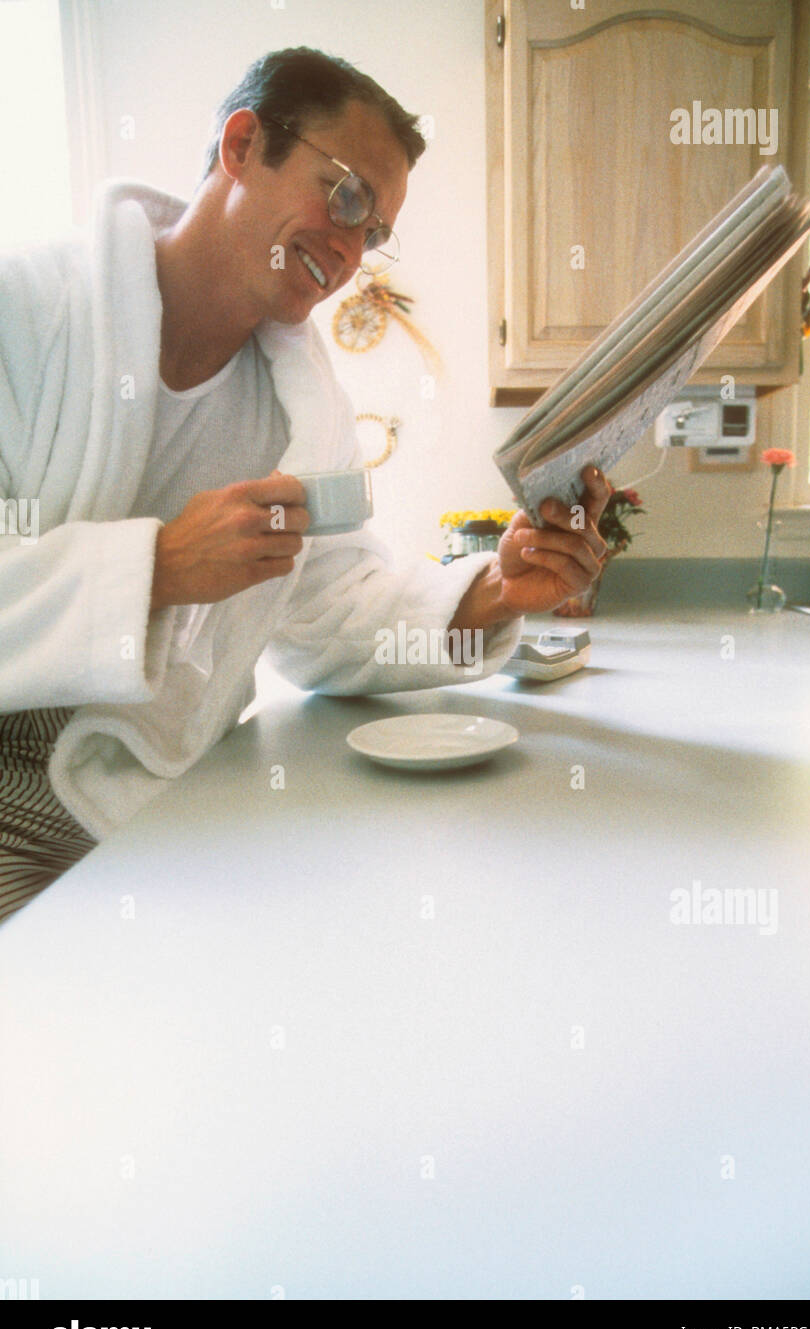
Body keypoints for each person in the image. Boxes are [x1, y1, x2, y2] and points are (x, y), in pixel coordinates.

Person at [0, 47, 609, 923]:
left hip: (143, 797)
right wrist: (158, 568)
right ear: (243, 144)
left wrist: (489, 595)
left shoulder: (297, 401)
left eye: (374, 232)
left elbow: (327, 610)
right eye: (347, 195)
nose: (351, 250)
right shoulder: (27, 317)